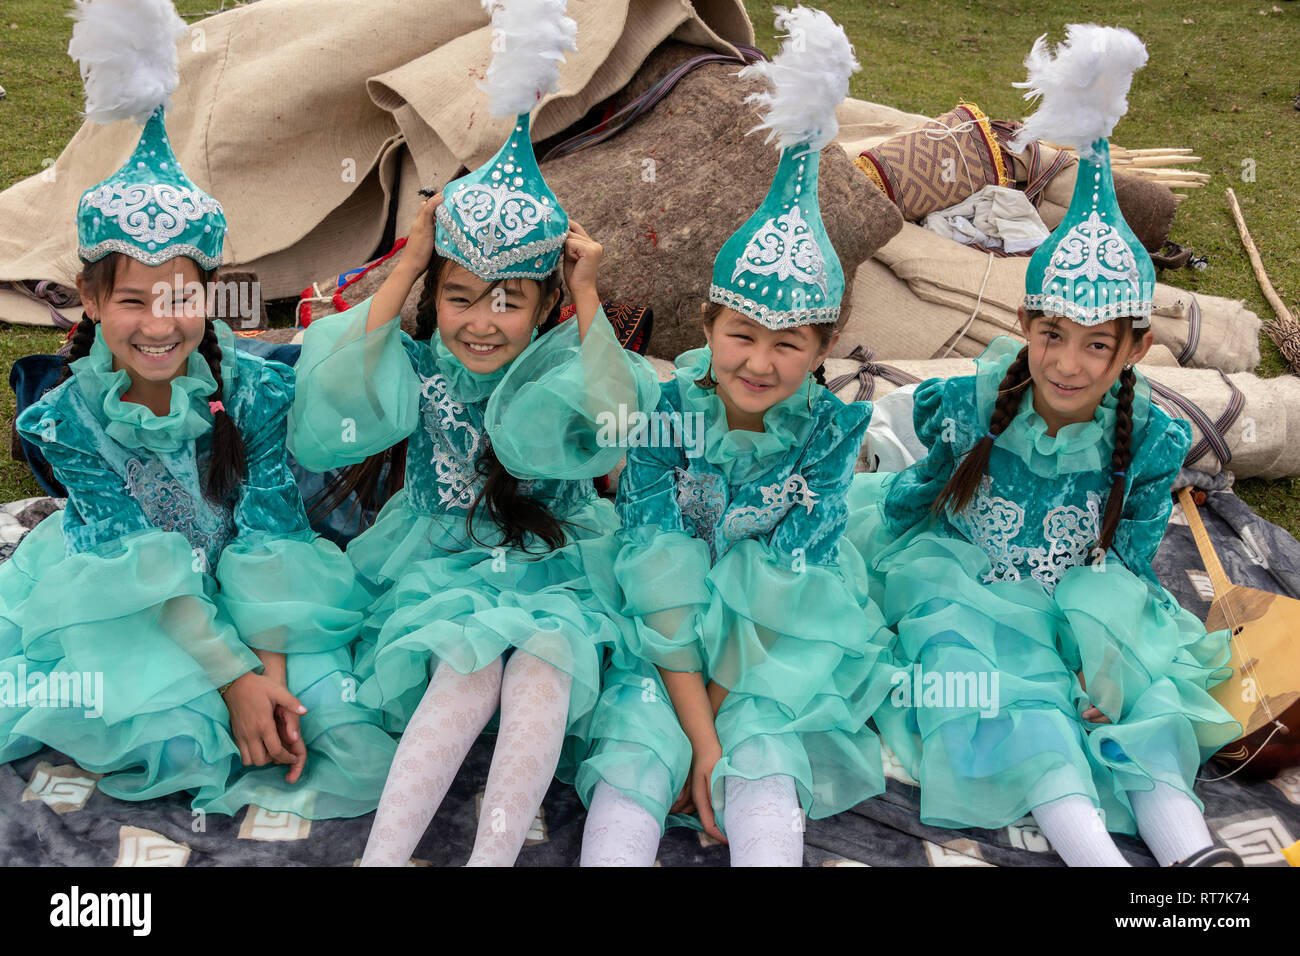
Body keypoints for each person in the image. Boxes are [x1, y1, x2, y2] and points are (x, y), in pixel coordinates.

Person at [846, 25, 1242, 867]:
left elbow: (1130, 564)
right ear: (1023, 324)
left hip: (1080, 594)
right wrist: (871, 531)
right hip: (961, 582)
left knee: (1140, 696)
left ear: (1134, 349)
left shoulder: (1156, 438)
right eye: (1052, 334)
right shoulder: (973, 396)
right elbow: (889, 442)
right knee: (1008, 695)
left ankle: (1197, 870)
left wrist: (1106, 656)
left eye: (1097, 344)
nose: (1068, 362)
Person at [575, 6, 897, 867]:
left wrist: (716, 731)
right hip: (660, 623)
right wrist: (691, 731)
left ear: (825, 348)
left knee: (762, 742)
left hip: (773, 637)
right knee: (640, 735)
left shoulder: (829, 434)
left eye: (789, 344)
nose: (759, 361)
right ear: (707, 325)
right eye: (740, 333)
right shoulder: (665, 412)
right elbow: (652, 564)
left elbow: (785, 590)